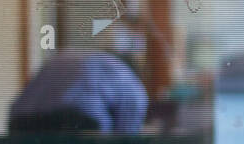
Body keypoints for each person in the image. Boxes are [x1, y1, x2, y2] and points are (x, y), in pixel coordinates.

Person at [8, 18, 149, 134]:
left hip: (21, 121)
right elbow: (128, 139)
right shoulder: (130, 80)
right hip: (77, 124)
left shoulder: (69, 57)